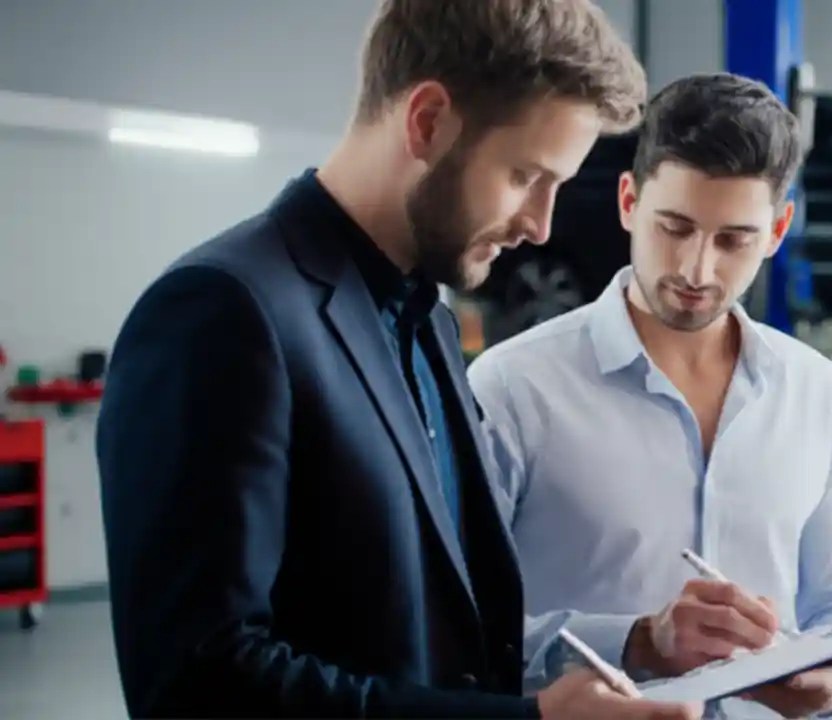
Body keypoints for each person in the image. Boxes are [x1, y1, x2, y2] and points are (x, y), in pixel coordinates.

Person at [95, 2, 701, 718]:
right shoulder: (221, 313)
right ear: (427, 121)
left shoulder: (429, 322)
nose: (540, 225)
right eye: (524, 176)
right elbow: (199, 686)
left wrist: (635, 643)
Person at [469, 73, 832, 719]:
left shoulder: (815, 392)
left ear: (777, 230)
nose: (697, 270)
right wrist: (638, 643)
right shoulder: (513, 389)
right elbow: (452, 627)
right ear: (630, 202)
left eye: (733, 241)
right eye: (675, 227)